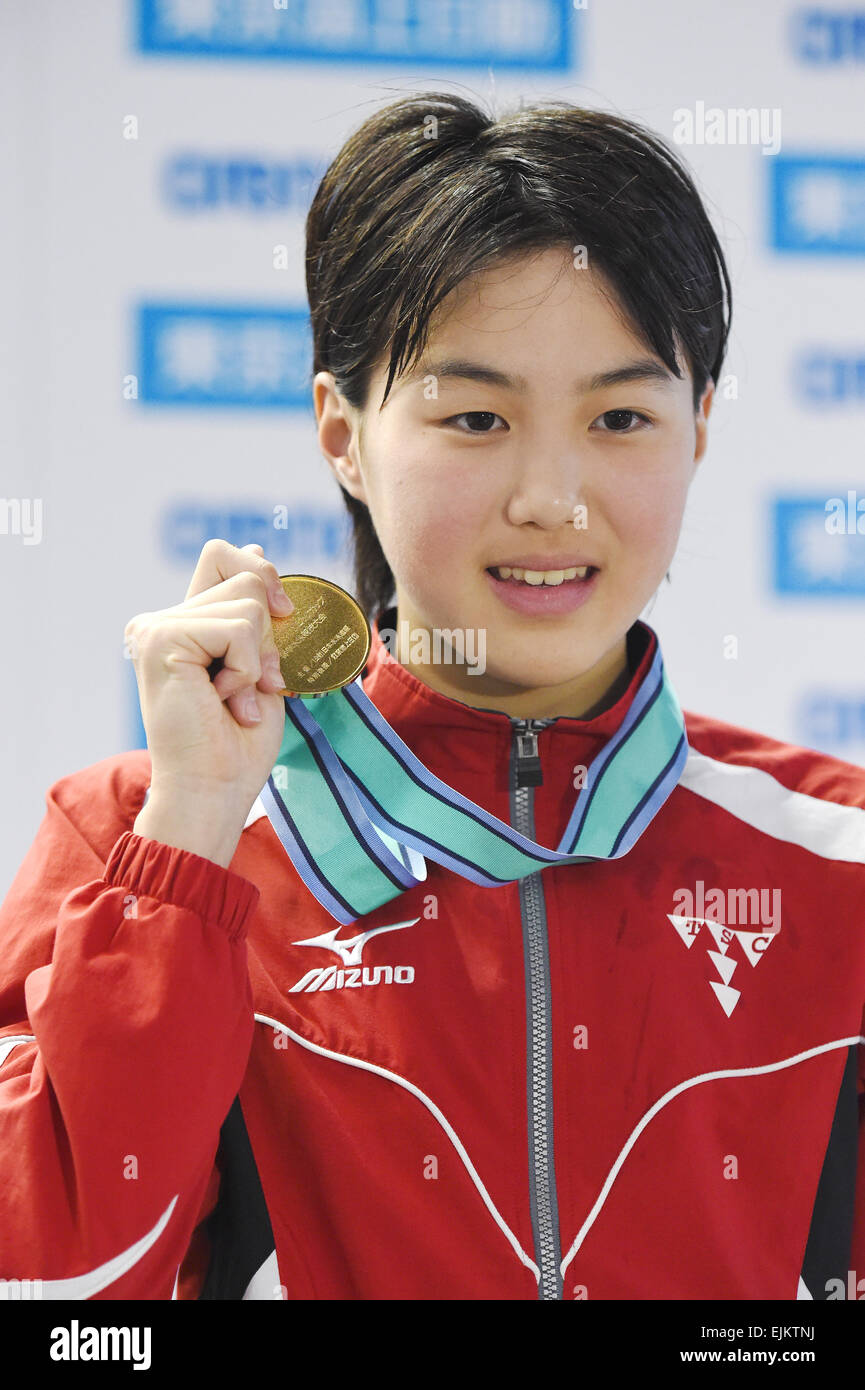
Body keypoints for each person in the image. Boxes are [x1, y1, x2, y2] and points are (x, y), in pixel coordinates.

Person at [1, 90, 864, 1302]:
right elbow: (57, 1304)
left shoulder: (837, 858)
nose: (552, 496)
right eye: (475, 417)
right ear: (341, 432)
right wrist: (192, 834)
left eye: (620, 416)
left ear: (700, 430)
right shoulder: (140, 847)